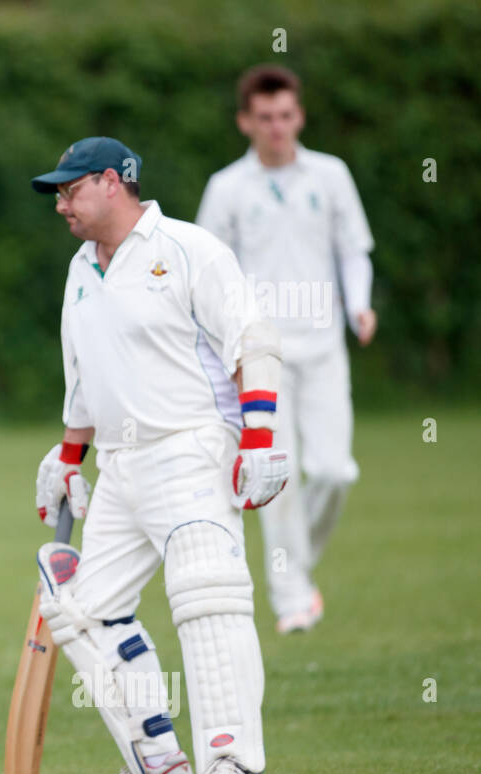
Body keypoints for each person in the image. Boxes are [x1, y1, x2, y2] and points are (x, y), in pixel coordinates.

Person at [29, 137, 289, 774]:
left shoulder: (187, 249)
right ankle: (158, 757)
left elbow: (252, 341)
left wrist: (260, 437)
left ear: (113, 182)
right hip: (119, 466)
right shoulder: (80, 270)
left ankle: (228, 758)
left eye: (70, 190)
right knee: (85, 611)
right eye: (57, 193)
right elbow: (85, 380)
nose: (61, 205)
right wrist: (67, 458)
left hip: (191, 448)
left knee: (207, 594)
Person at [196, 64, 375, 633]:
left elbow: (353, 250)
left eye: (286, 115)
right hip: (260, 355)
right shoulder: (227, 188)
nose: (277, 126)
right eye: (265, 117)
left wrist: (358, 305)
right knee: (280, 475)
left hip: (323, 350)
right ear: (245, 121)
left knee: (333, 472)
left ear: (299, 116)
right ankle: (291, 599)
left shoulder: (330, 175)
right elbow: (209, 276)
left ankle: (300, 567)